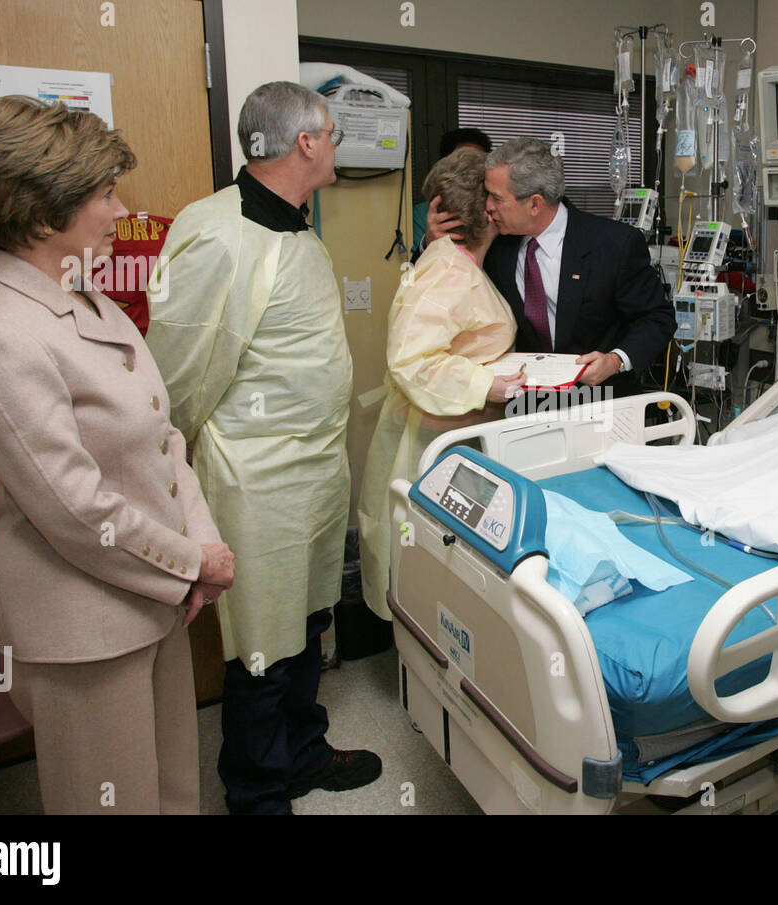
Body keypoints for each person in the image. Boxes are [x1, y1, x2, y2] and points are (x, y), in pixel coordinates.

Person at [0, 95, 234, 814]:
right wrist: (191, 562)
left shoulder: (90, 300)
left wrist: (199, 542)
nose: (120, 208)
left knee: (170, 794)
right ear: (44, 214)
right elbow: (72, 504)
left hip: (152, 599)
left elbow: (163, 437)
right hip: (83, 632)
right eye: (104, 194)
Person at [145, 81, 379, 815]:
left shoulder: (300, 231)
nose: (337, 146)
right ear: (304, 142)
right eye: (333, 134)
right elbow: (177, 374)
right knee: (261, 639)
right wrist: (172, 477)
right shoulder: (217, 230)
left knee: (308, 618)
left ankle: (303, 750)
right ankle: (255, 789)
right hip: (254, 479)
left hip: (314, 470)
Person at [357, 147, 523, 620]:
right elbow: (412, 358)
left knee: (443, 556)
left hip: (447, 428)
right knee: (443, 557)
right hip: (437, 433)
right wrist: (487, 386)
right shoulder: (450, 270)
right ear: (485, 210)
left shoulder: (451, 261)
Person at [427, 136, 674, 398]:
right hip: (522, 403)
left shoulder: (613, 245)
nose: (487, 206)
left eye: (497, 198)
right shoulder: (495, 242)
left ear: (535, 203)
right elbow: (447, 283)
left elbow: (657, 318)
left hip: (600, 400)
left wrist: (615, 360)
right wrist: (433, 242)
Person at [411, 127, 492, 255]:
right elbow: (415, 271)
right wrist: (428, 243)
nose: (472, 169)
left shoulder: (495, 207)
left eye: (479, 161)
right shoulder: (424, 214)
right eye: (464, 162)